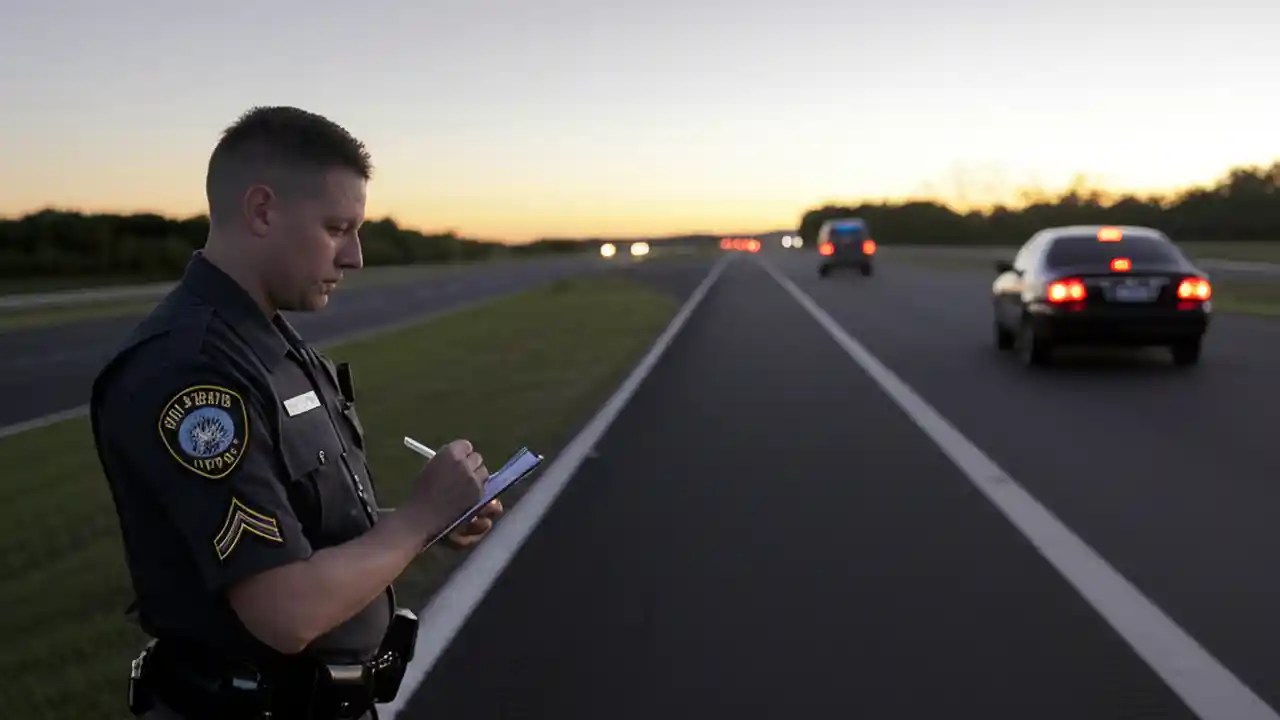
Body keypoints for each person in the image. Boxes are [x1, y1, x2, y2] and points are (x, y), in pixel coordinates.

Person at [89, 105, 504, 720]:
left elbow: (304, 537)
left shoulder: (273, 348)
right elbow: (286, 610)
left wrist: (434, 518)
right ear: (262, 210)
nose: (355, 256)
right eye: (338, 227)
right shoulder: (193, 373)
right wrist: (417, 519)